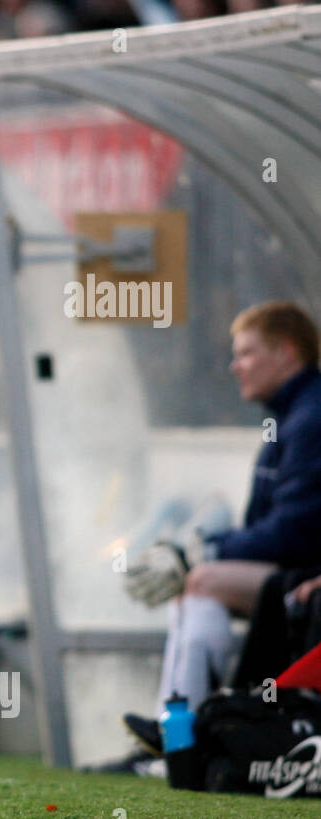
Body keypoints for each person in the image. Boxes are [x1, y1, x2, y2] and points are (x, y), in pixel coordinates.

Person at [103, 301, 321, 773]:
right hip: (295, 571)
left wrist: (202, 551)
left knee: (201, 579)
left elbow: (297, 532)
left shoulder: (311, 416)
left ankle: (188, 742)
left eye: (246, 353)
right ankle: (172, 737)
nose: (234, 365)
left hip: (309, 574)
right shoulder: (290, 415)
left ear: (286, 353)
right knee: (195, 581)